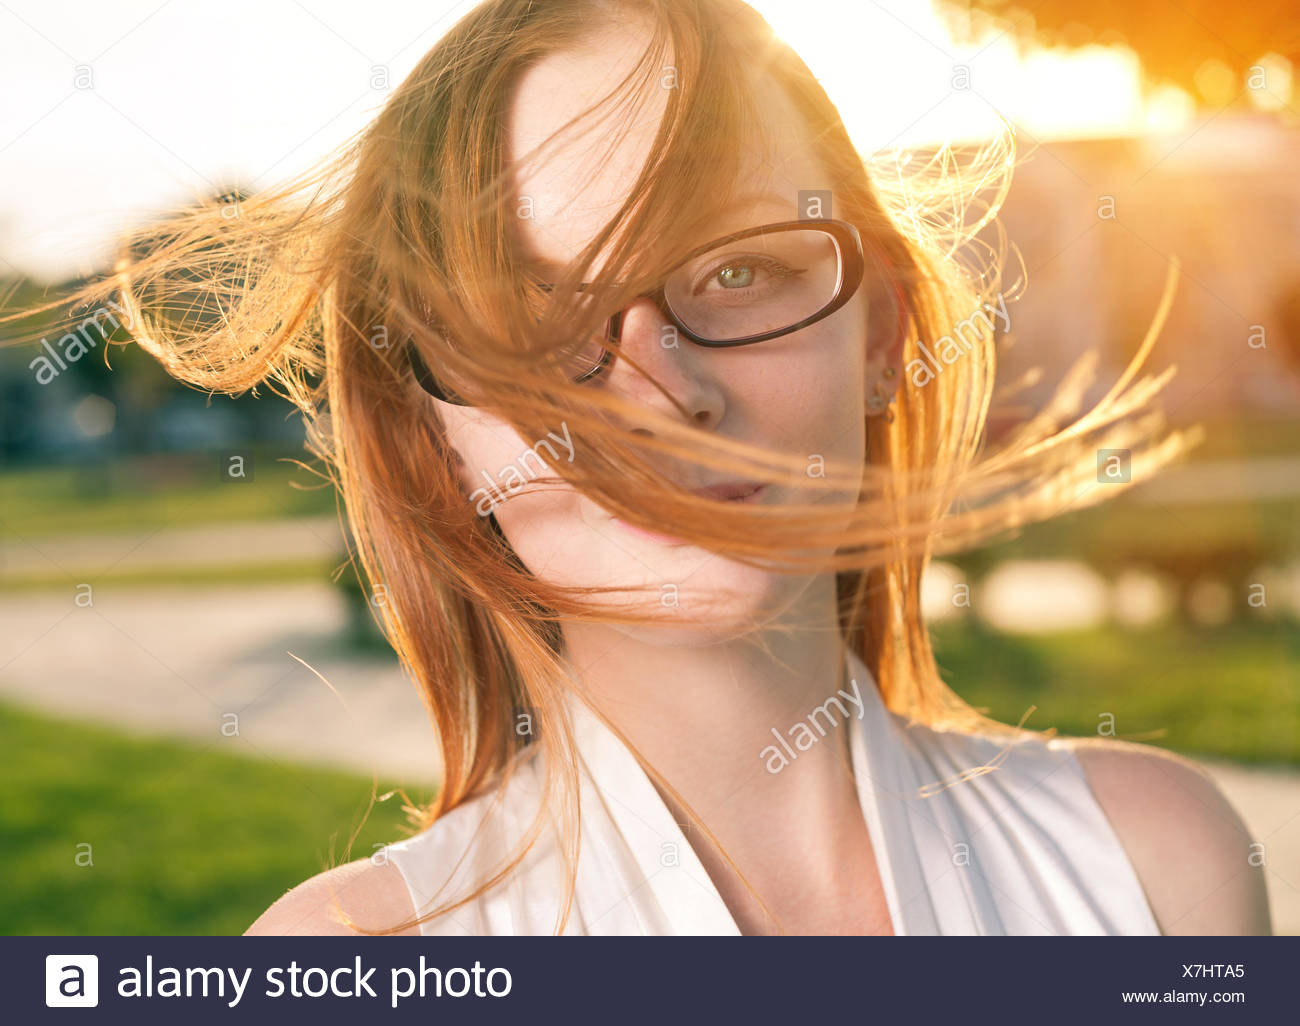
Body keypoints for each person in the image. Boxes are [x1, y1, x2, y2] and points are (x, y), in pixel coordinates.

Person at [58, 0, 1271, 935]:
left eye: (737, 270)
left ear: (885, 336)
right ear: (432, 429)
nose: (666, 389)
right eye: (531, 315)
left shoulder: (1163, 866)